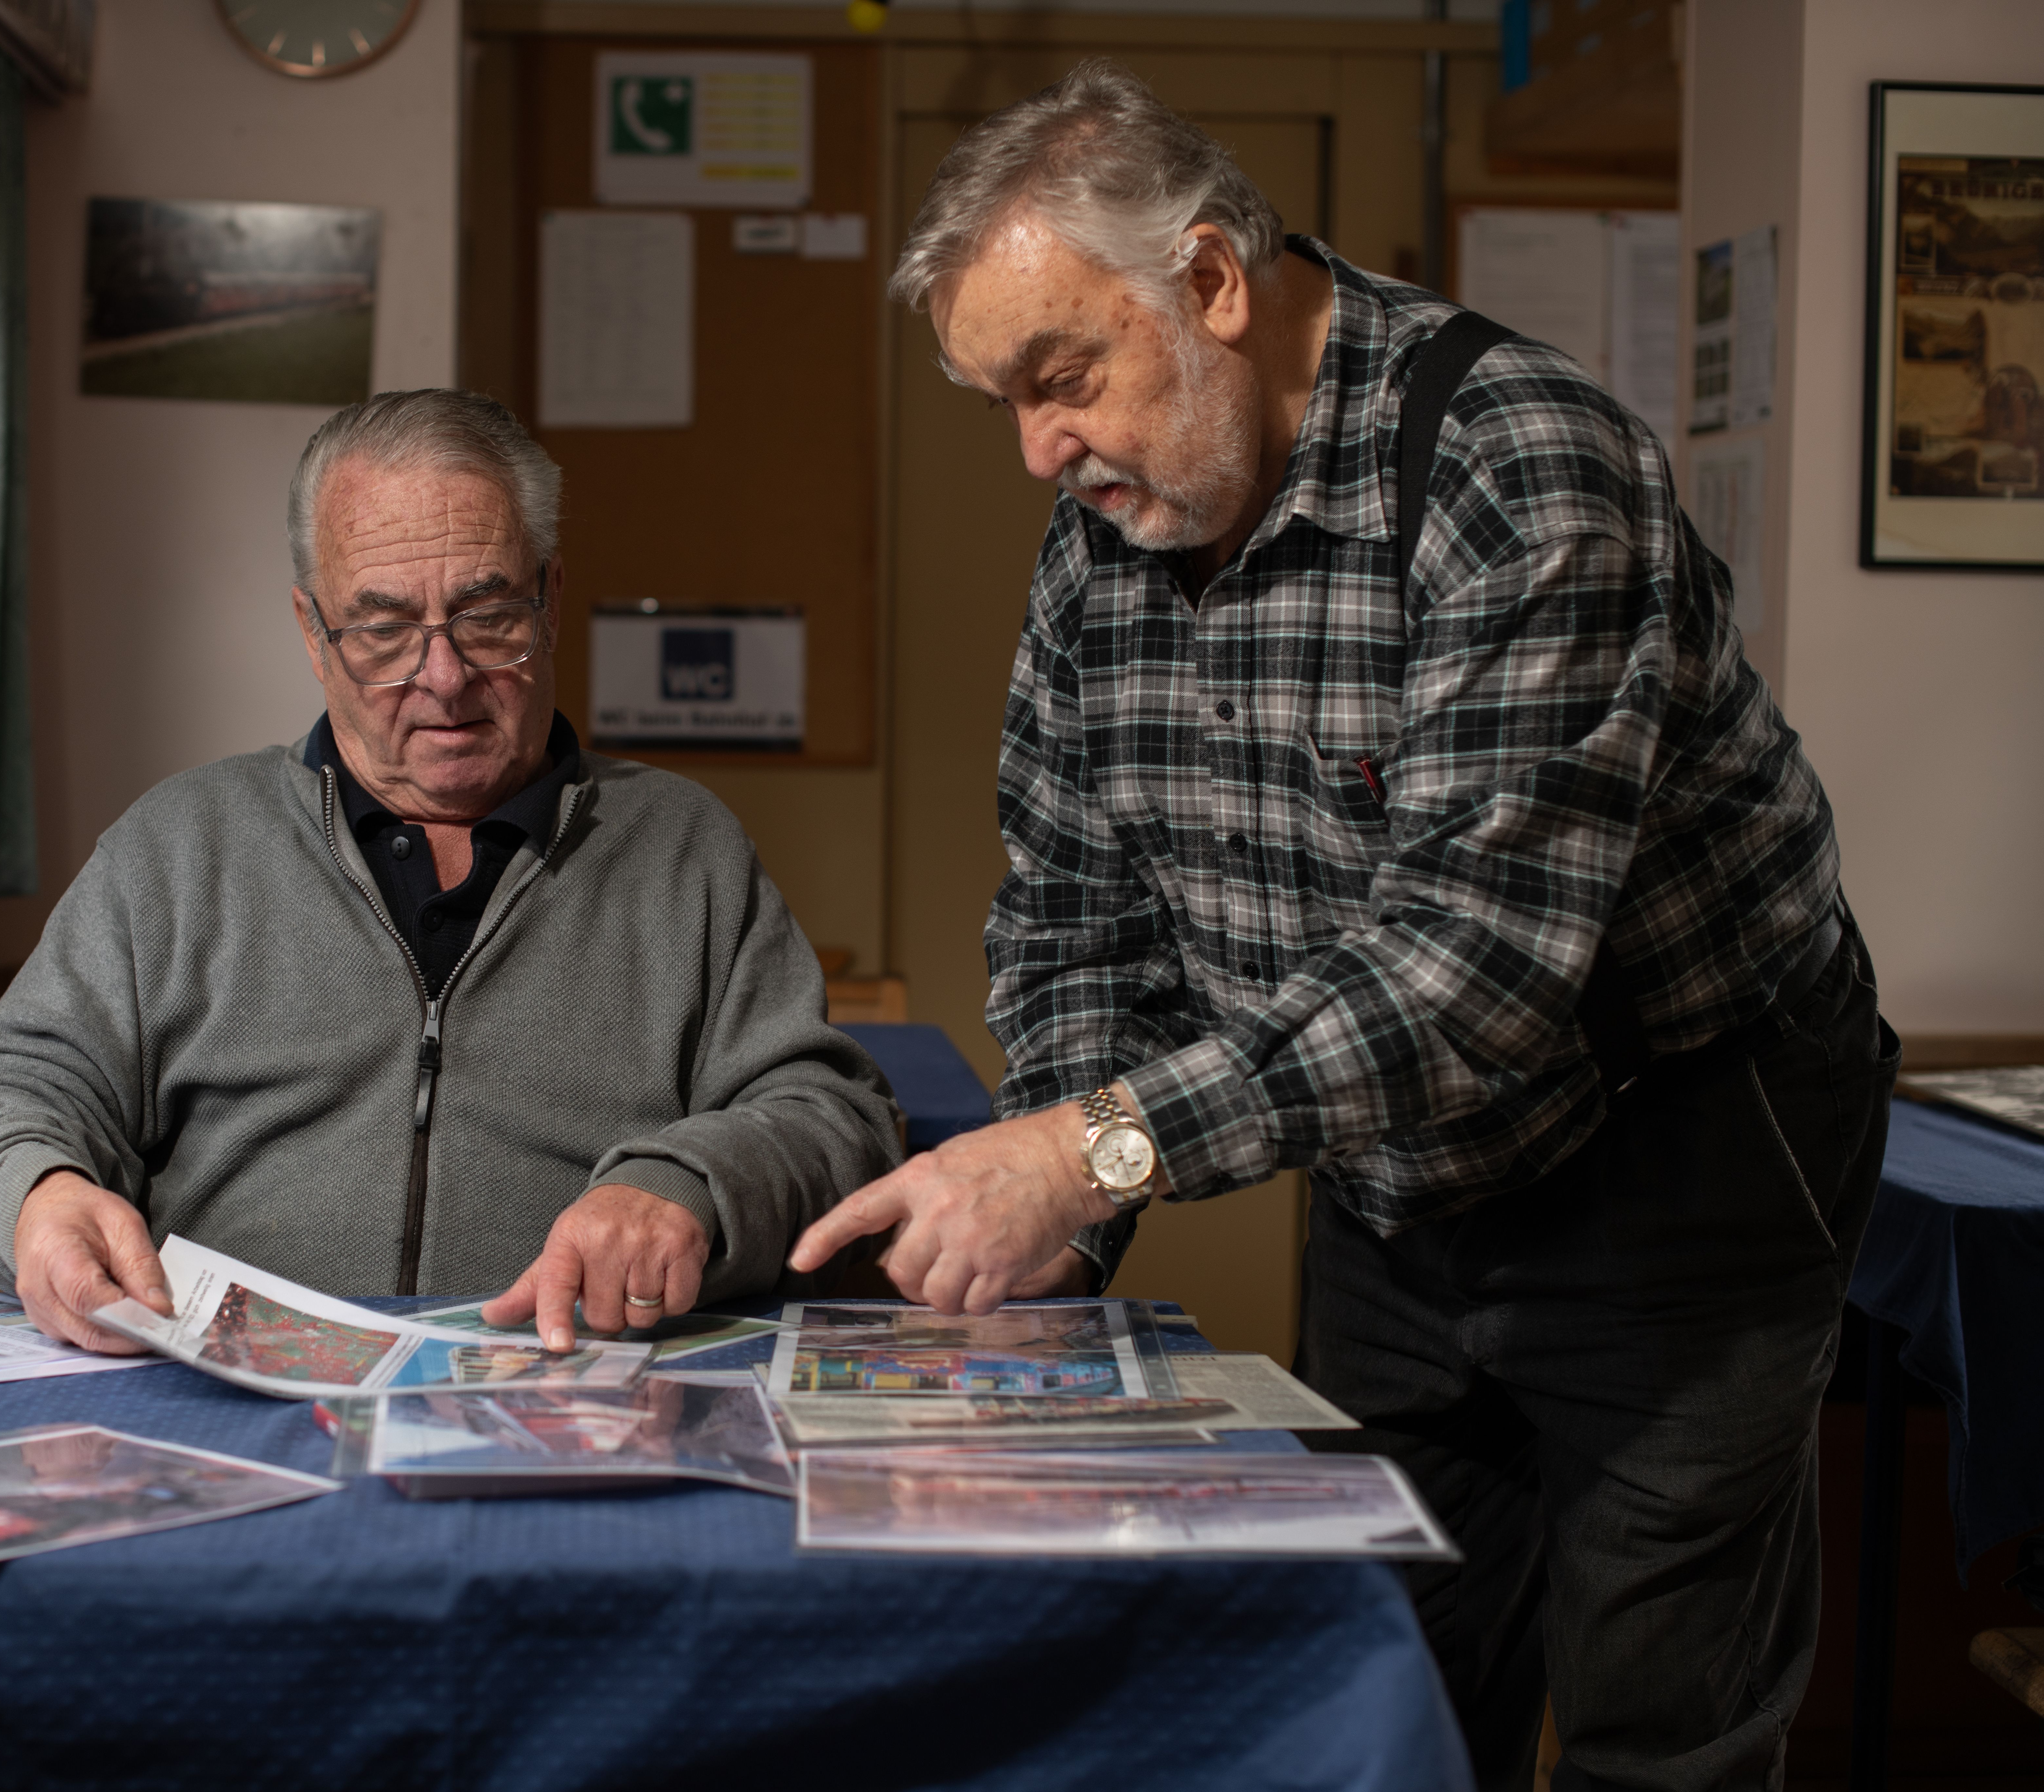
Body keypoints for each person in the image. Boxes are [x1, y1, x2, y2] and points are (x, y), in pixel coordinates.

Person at [789, 61, 1898, 1792]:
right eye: (999, 400)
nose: (1036, 447)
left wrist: (1083, 1157)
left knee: (1654, 1729)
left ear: (1216, 282)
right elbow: (1082, 919)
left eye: (1060, 378)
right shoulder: (1100, 547)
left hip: (1681, 1149)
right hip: (1400, 1184)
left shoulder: (1521, 464)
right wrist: (1070, 1239)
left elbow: (1468, 984)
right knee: (1378, 1682)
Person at [0, 388, 899, 1354]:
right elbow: (11, 1093)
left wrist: (687, 1186)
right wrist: (37, 1193)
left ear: (553, 604)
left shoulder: (688, 850)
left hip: (571, 1394)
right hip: (224, 1398)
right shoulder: (179, 848)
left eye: (487, 617)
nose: (444, 678)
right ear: (315, 634)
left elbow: (836, 1122)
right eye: (385, 630)